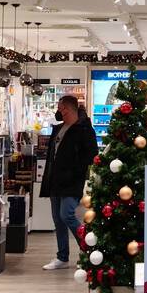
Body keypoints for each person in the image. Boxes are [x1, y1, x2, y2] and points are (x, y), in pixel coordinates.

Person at [39, 94, 99, 269]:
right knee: (58, 219)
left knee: (67, 215)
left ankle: (89, 249)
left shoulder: (84, 130)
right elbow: (52, 155)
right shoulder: (58, 129)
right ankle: (62, 256)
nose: (58, 110)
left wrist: (75, 168)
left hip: (72, 181)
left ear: (66, 108)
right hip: (54, 180)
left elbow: (92, 155)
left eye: (60, 107)